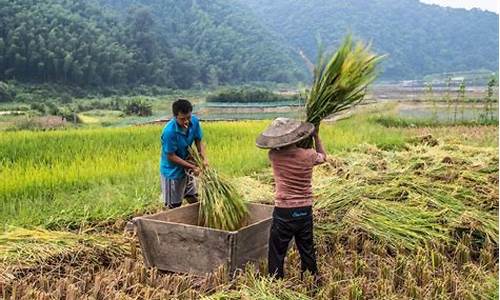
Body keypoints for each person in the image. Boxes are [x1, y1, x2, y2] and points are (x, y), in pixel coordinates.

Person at [256, 117, 327, 280]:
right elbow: (323, 156)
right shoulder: (309, 155)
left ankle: (276, 281)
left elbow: (276, 147)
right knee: (307, 248)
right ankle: (311, 279)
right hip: (304, 210)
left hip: (284, 211)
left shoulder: (274, 155)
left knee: (277, 249)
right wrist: (315, 136)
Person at [160, 99, 207, 209]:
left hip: (188, 164)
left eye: (188, 117)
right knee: (174, 205)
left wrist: (204, 159)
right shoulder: (169, 132)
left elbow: (198, 140)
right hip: (173, 171)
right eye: (182, 119)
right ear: (175, 116)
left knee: (192, 196)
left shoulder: (194, 122)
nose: (186, 121)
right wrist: (193, 166)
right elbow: (171, 156)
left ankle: (199, 218)